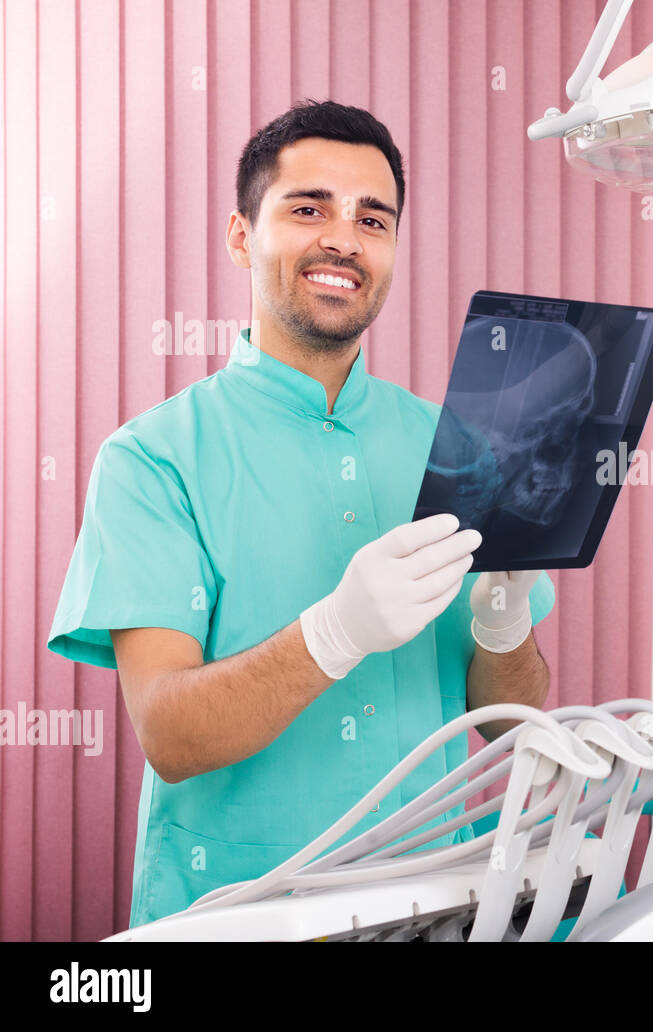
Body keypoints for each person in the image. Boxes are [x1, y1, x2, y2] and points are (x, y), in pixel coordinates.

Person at [46, 99, 555, 927]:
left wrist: (502, 624)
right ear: (243, 236)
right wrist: (335, 633)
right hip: (239, 913)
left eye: (373, 219)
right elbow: (171, 735)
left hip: (432, 902)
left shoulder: (454, 446)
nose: (344, 240)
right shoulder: (152, 460)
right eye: (309, 208)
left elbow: (510, 726)